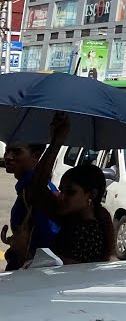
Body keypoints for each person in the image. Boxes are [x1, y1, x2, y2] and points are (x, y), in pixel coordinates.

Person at [20, 113, 113, 265]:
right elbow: (37, 188)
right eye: (61, 190)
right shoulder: (78, 218)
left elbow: (37, 188)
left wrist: (57, 142)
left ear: (91, 195)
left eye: (70, 192)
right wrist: (56, 141)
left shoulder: (87, 231)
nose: (61, 196)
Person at [2, 142, 60, 271]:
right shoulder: (26, 187)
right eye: (7, 151)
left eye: (17, 152)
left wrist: (23, 250)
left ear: (36, 156)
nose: (8, 156)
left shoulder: (33, 189)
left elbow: (48, 233)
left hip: (32, 267)